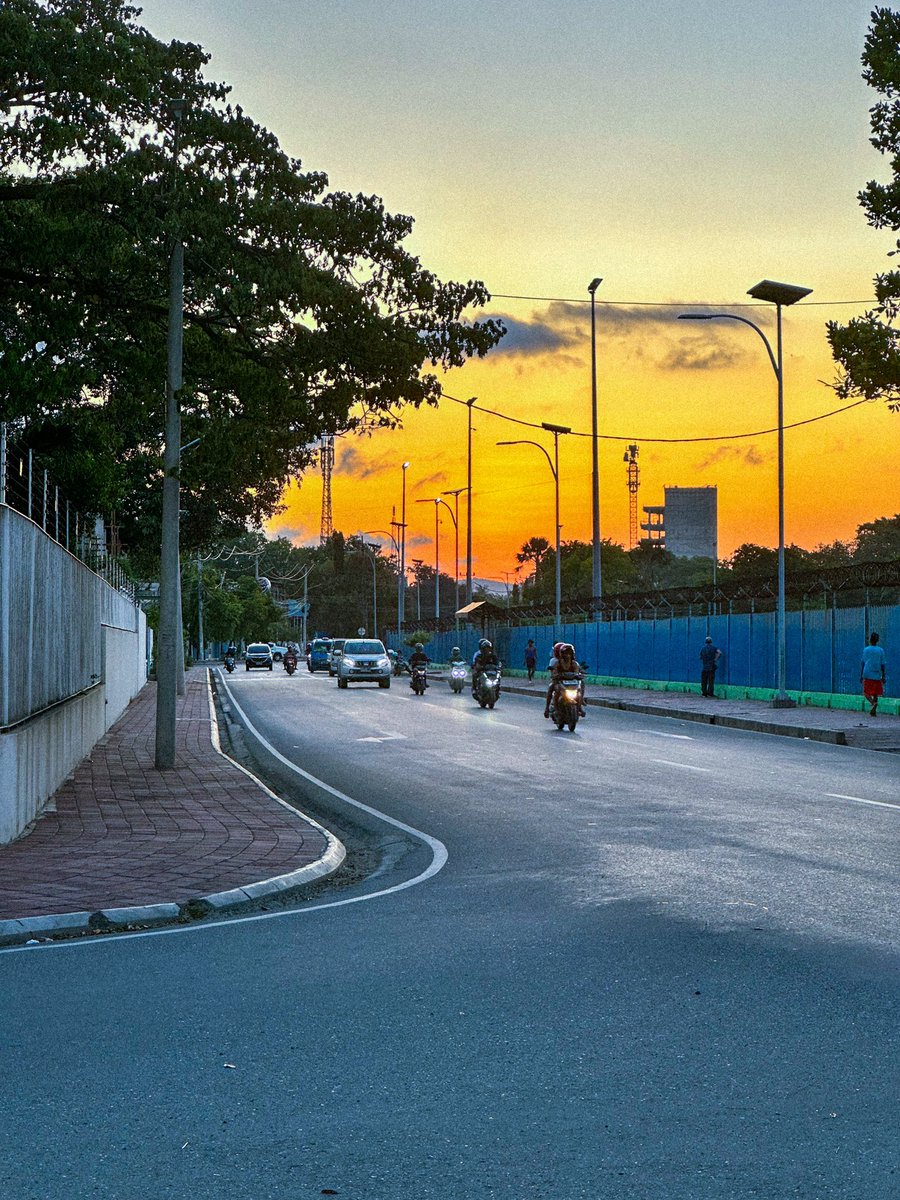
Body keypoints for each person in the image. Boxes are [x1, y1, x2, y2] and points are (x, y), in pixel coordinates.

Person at [545, 642, 585, 718]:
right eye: (565, 653)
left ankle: (579, 706)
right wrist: (556, 675)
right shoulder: (558, 663)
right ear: (561, 654)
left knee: (579, 690)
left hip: (571, 683)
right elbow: (554, 672)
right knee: (552, 688)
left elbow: (577, 672)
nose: (567, 655)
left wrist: (578, 676)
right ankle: (548, 708)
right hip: (560, 682)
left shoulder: (574, 664)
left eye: (569, 653)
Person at [861, 631, 886, 716]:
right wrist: (883, 676)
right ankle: (873, 711)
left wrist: (861, 675)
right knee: (875, 693)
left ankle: (872, 703)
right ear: (877, 640)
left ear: (870, 640)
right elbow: (883, 664)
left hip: (867, 673)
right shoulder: (881, 650)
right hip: (877, 673)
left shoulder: (866, 650)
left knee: (866, 692)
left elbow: (863, 663)